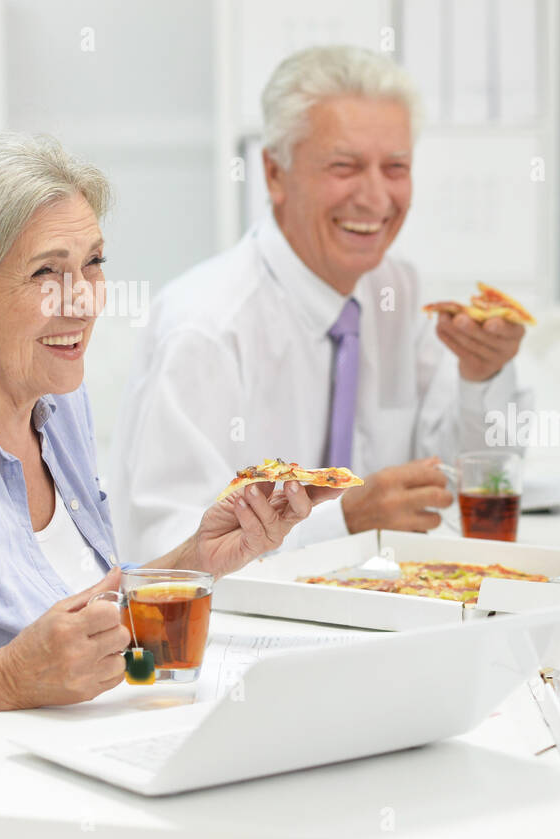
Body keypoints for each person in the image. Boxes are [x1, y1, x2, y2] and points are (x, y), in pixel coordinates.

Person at [0, 135, 347, 763]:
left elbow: (82, 630)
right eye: (46, 271)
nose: (82, 300)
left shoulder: (53, 395)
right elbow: (31, 667)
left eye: (93, 263)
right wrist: (7, 679)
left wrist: (196, 560)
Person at [110, 46, 529, 559]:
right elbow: (164, 551)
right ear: (274, 174)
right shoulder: (206, 327)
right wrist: (342, 524)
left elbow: (468, 489)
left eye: (395, 167)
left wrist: (483, 376)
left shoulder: (399, 295)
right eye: (345, 166)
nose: (376, 198)